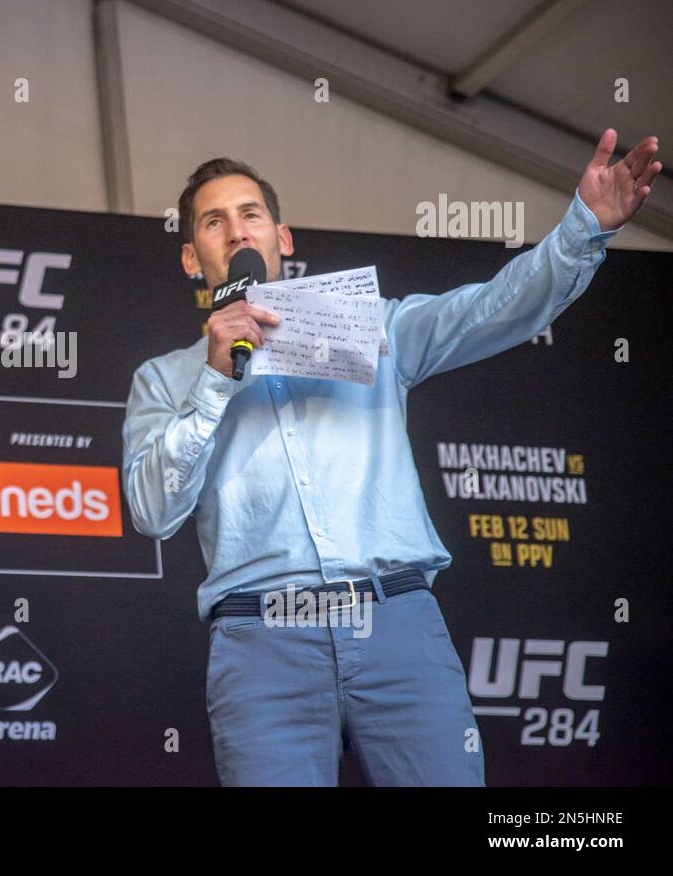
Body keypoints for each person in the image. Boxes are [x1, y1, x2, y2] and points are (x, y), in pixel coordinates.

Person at [121, 133, 660, 785]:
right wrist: (213, 379)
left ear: (282, 237)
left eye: (250, 213)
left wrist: (583, 230)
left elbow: (489, 309)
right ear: (190, 256)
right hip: (261, 640)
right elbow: (152, 511)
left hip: (395, 621)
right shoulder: (163, 379)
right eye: (214, 221)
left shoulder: (368, 326)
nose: (236, 230)